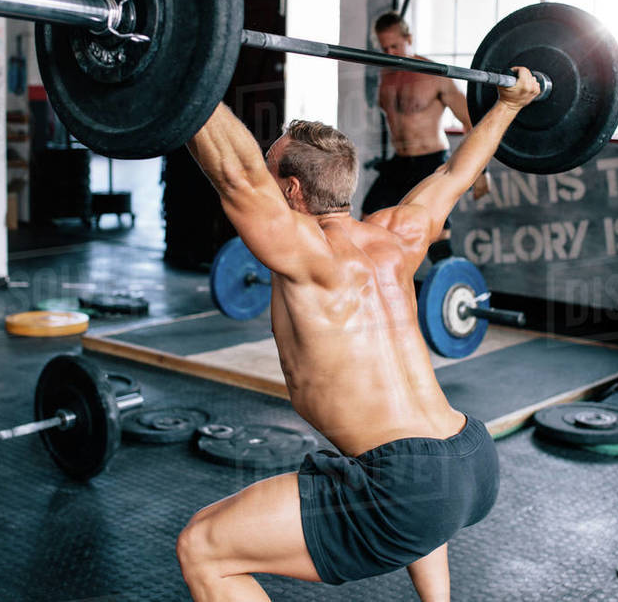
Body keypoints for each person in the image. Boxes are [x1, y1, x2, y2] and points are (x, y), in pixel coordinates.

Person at [176, 66, 543, 600]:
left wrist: (185, 75)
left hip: (408, 483)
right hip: (470, 458)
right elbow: (454, 175)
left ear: (291, 189)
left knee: (203, 547)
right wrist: (509, 105)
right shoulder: (399, 237)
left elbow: (237, 176)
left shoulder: (308, 255)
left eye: (270, 166)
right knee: (419, 493)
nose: (261, 172)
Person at [363, 11, 490, 262]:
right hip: (400, 162)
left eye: (395, 46)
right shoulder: (385, 76)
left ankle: (451, 296)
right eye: (384, 47)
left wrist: (480, 172)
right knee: (368, 220)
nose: (390, 54)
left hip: (430, 161)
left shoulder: (434, 75)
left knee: (435, 233)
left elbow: (471, 123)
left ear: (409, 38)